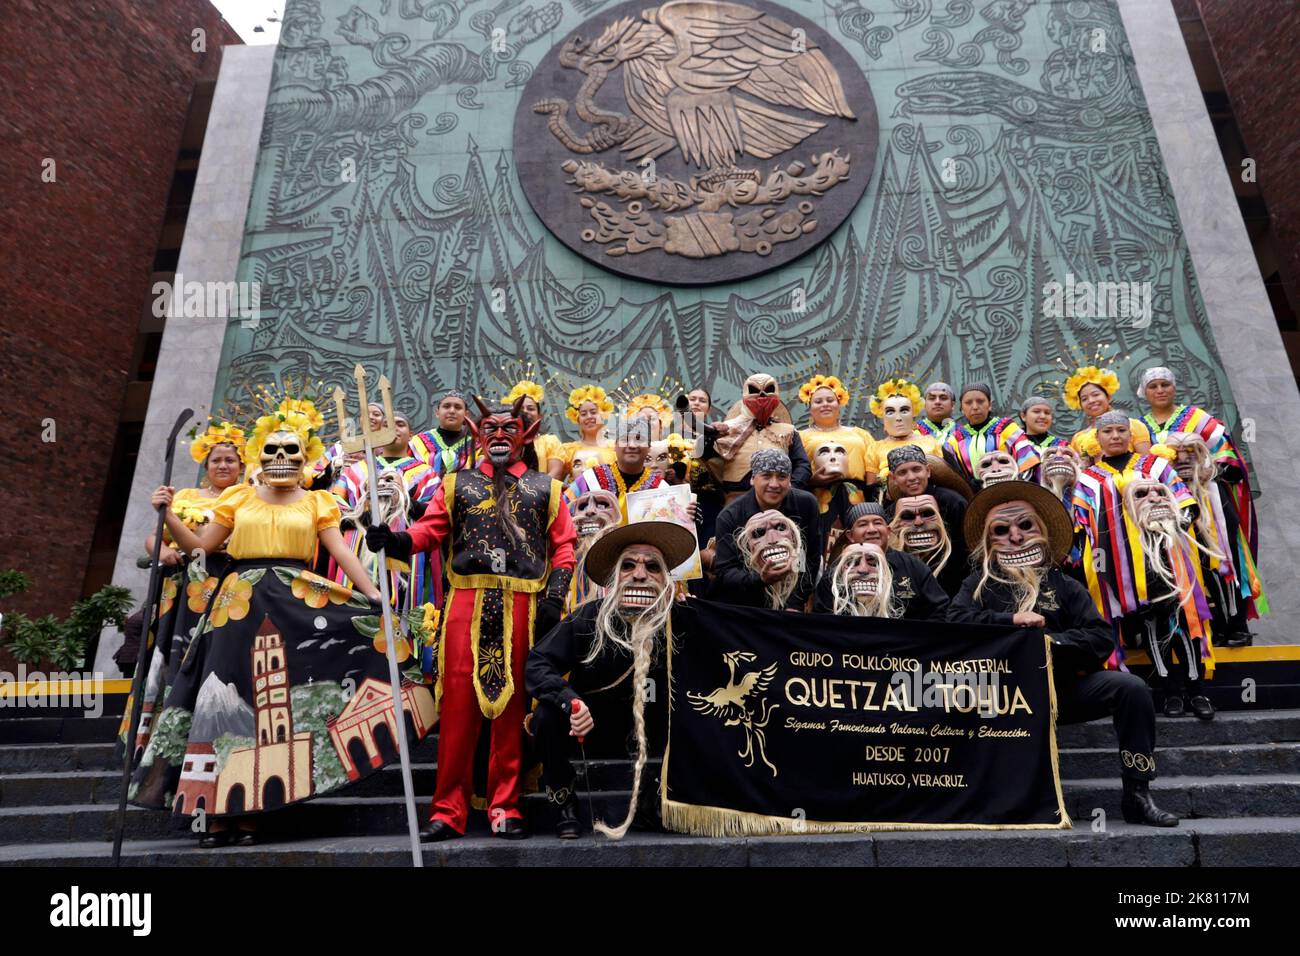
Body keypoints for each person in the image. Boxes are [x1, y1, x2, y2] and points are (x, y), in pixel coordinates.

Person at [136, 398, 434, 847]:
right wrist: (169, 515)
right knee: (226, 704)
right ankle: (214, 814)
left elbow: (342, 553)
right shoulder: (239, 497)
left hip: (293, 605)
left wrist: (375, 596)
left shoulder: (318, 502)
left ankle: (256, 810)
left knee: (278, 707)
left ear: (304, 459)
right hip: (237, 605)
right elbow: (199, 547)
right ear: (259, 457)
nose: (280, 459)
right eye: (272, 451)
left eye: (290, 451)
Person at [365, 396, 577, 842]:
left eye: (509, 428)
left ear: (527, 435)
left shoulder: (547, 488)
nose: (499, 436)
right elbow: (432, 531)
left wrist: (554, 599)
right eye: (491, 429)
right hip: (466, 604)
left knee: (512, 708)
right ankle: (447, 811)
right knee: (458, 710)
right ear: (477, 435)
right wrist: (398, 540)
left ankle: (506, 806)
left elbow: (563, 547)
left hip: (523, 605)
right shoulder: (454, 483)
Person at [948, 480, 1178, 827]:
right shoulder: (975, 586)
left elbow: (1100, 638)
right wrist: (1010, 621)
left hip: (1062, 692)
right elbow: (954, 623)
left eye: (1024, 526)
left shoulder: (1066, 585)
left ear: (1040, 532)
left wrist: (1050, 643)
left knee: (1131, 689)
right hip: (998, 697)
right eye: (1001, 530)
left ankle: (1137, 792)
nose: (1015, 537)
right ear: (988, 541)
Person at [526, 520, 697, 838]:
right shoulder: (587, 617)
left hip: (658, 734)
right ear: (614, 577)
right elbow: (538, 664)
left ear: (667, 580)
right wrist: (571, 702)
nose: (640, 575)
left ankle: (660, 799)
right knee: (546, 717)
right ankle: (564, 802)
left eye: (653, 567)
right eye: (629, 565)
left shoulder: (684, 621)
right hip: (592, 730)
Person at [123, 422, 246, 767]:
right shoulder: (185, 497)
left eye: (230, 461)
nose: (223, 466)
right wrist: (161, 552)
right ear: (206, 466)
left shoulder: (249, 497)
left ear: (242, 466)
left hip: (226, 583)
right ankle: (157, 739)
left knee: (215, 658)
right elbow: (154, 537)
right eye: (216, 460)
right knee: (174, 657)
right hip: (181, 586)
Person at [1139, 365, 1258, 603]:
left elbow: (1227, 454)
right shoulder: (1140, 427)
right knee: (1180, 556)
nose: (1160, 390)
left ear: (1174, 387)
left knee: (1222, 551)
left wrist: (1210, 470)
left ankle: (1235, 622)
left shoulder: (1198, 418)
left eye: (1165, 384)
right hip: (1167, 502)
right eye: (1153, 386)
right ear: (1144, 392)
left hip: (1208, 496)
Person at [1112, 474, 1216, 719]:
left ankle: (1197, 692)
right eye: (1142, 494)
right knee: (1156, 642)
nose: (1154, 498)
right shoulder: (1123, 538)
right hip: (1148, 605)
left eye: (1159, 492)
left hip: (1180, 600)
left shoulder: (1178, 531)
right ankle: (1171, 693)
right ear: (1128, 504)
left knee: (1188, 641)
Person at [329, 410, 439, 612]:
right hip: (358, 549)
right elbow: (334, 505)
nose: (394, 428)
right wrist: (364, 512)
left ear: (411, 435)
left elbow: (435, 513)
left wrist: (403, 502)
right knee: (355, 611)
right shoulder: (356, 470)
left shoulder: (427, 473)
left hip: (407, 554)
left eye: (400, 424)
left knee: (404, 611)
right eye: (387, 424)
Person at [1166, 432, 1267, 646]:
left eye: (1190, 453)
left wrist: (1209, 473)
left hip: (1213, 516)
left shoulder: (1215, 487)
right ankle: (1214, 628)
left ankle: (1237, 626)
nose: (1183, 458)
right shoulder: (1165, 489)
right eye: (1176, 454)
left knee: (1227, 570)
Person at [710, 448, 822, 610]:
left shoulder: (806, 505)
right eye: (767, 476)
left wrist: (795, 603)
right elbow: (725, 571)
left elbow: (810, 559)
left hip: (791, 598)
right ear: (752, 479)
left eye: (782, 477)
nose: (774, 484)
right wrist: (759, 579)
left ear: (790, 480)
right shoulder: (730, 516)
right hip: (745, 604)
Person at [814, 503, 949, 619]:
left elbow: (939, 610)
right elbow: (822, 616)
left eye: (878, 523)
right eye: (863, 524)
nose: (872, 530)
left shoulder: (913, 566)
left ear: (888, 531)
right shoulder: (838, 570)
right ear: (850, 535)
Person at [702, 372, 811, 502]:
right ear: (744, 395)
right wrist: (710, 437)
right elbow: (705, 459)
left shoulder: (789, 431)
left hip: (777, 501)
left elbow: (803, 464)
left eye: (768, 390)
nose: (762, 395)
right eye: (754, 390)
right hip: (735, 499)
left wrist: (791, 488)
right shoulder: (726, 429)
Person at [881, 446, 971, 595]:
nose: (911, 477)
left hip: (955, 581)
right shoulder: (892, 511)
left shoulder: (953, 502)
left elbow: (967, 546)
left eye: (916, 469)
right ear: (893, 478)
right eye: (902, 472)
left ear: (928, 471)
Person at [797, 374, 877, 530]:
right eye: (818, 401)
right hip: (818, 496)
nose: (825, 405)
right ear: (810, 408)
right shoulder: (800, 436)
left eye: (830, 400)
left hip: (857, 495)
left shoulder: (860, 434)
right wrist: (813, 481)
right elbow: (796, 470)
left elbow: (872, 465)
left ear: (839, 403)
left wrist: (871, 498)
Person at [563, 416, 664, 521]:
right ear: (615, 446)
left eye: (639, 439)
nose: (632, 445)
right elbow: (562, 513)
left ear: (649, 448)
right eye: (625, 439)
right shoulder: (589, 479)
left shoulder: (661, 488)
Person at [942, 383, 1040, 485]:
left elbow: (1028, 463)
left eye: (980, 401)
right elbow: (952, 475)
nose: (975, 407)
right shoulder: (954, 440)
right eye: (968, 403)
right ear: (962, 409)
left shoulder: (1007, 429)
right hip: (973, 497)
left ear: (989, 405)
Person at [1064, 365, 1151, 460]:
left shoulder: (1133, 425)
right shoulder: (1078, 438)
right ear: (1080, 404)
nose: (1091, 401)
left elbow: (1146, 463)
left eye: (1095, 394)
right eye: (1084, 399)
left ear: (1108, 397)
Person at [866, 378, 941, 474]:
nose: (898, 418)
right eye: (890, 412)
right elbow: (872, 486)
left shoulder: (931, 442)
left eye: (904, 411)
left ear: (913, 414)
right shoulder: (874, 449)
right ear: (882, 417)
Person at [409, 387, 475, 479]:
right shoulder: (418, 442)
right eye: (446, 406)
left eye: (458, 407)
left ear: (466, 415)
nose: (452, 411)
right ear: (437, 413)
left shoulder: (475, 446)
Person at [505, 380, 566, 479]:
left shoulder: (550, 442)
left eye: (530, 408)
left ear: (539, 416)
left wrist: (534, 489)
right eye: (520, 409)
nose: (525, 412)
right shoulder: (505, 441)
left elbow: (556, 472)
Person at [560, 384, 617, 479]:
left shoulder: (615, 448)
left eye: (594, 412)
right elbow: (558, 484)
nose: (589, 417)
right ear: (577, 419)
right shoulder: (569, 450)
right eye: (583, 414)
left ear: (602, 414)